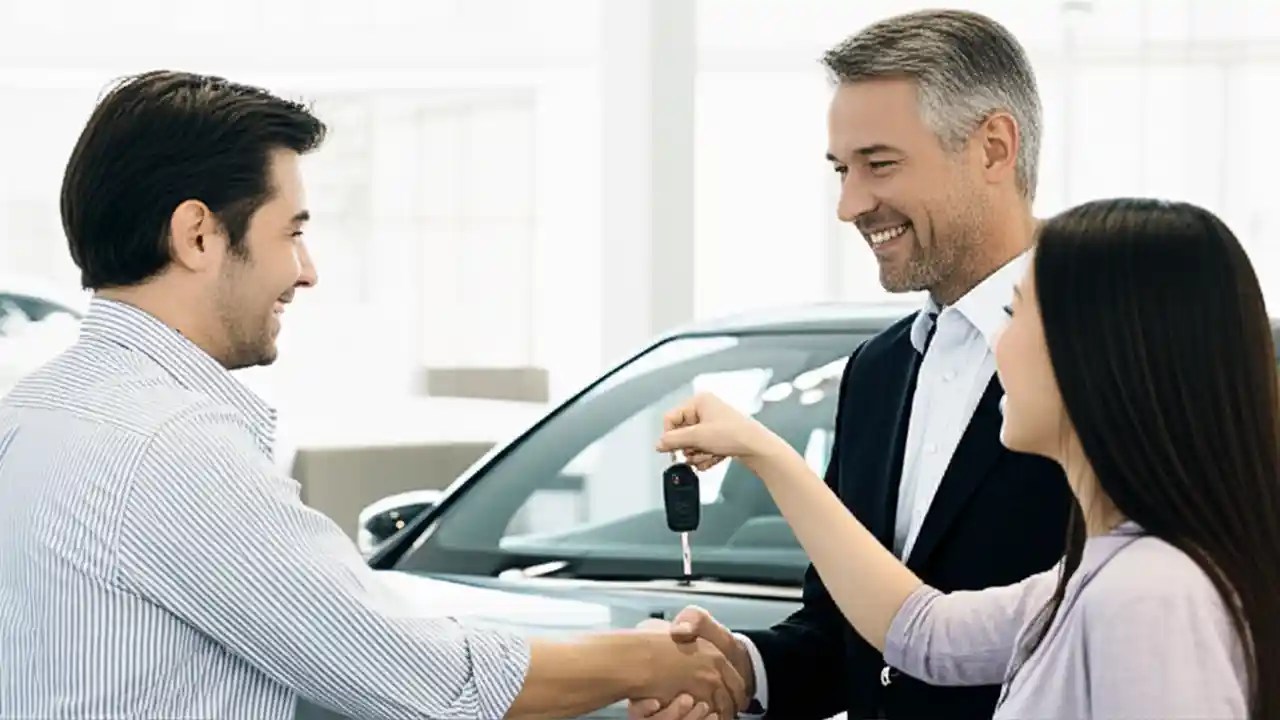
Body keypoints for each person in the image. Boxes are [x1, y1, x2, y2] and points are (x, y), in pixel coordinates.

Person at [0, 71, 747, 720]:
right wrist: (644, 661)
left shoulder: (30, 417)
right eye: (290, 231)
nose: (306, 270)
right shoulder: (171, 447)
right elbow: (420, 678)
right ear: (197, 235)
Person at [651, 197, 1280, 718]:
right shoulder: (1106, 573)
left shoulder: (1150, 595)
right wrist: (765, 452)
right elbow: (922, 631)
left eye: (1014, 313)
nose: (995, 343)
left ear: (1095, 352)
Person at [632, 10, 1072, 720]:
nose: (850, 205)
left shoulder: (1108, 354)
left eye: (880, 164)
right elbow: (848, 634)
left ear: (993, 149)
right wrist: (742, 669)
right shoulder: (877, 371)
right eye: (842, 170)